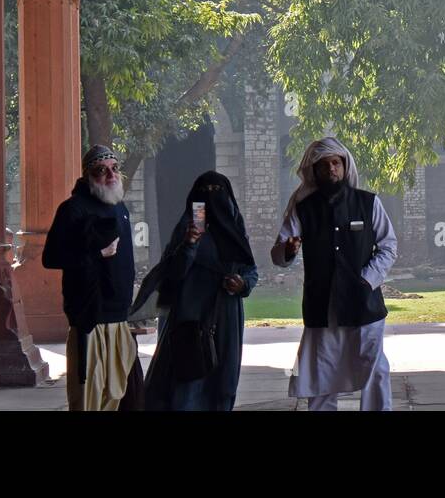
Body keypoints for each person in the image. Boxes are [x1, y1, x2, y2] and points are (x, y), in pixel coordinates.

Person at [271, 137, 397, 411]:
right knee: (321, 376)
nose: (331, 169)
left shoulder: (368, 203)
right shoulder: (303, 209)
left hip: (364, 306)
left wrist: (367, 280)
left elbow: (388, 246)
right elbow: (278, 255)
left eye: (336, 163)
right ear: (314, 171)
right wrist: (289, 249)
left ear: (344, 165)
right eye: (325, 164)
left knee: (375, 372)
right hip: (322, 307)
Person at [131, 171, 258, 410]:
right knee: (189, 380)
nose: (211, 197)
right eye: (205, 192)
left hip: (226, 314)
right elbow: (173, 273)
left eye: (217, 191)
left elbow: (250, 270)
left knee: (224, 380)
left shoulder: (235, 228)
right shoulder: (190, 225)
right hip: (192, 313)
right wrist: (189, 244)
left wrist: (242, 283)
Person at [43, 144, 144, 411]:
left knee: (115, 391)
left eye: (114, 169)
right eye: (102, 171)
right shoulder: (73, 209)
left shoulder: (119, 208)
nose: (110, 176)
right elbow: (51, 257)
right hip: (89, 317)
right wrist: (97, 253)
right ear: (89, 175)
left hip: (119, 316)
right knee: (88, 394)